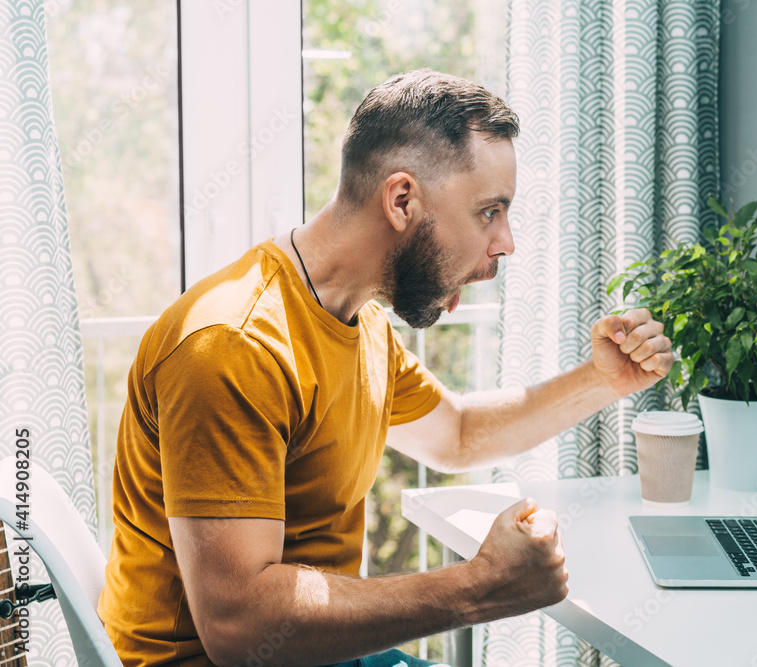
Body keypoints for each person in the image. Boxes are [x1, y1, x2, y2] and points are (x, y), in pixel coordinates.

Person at [97, 69, 673, 667]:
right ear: (401, 201)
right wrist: (480, 587)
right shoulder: (233, 345)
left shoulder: (361, 322)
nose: (506, 242)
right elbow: (238, 626)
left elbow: (457, 433)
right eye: (489, 211)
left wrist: (602, 379)